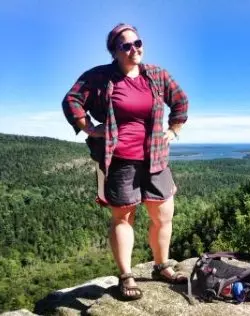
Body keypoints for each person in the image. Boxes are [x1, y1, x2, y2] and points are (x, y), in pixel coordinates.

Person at [62, 23, 189, 300]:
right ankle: (126, 275)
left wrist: (173, 130)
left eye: (138, 43)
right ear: (115, 52)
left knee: (163, 215)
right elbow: (71, 100)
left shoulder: (156, 75)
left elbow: (180, 101)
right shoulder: (100, 77)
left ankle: (162, 266)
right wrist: (90, 128)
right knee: (123, 218)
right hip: (119, 158)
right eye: (127, 46)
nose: (135, 49)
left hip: (155, 157)